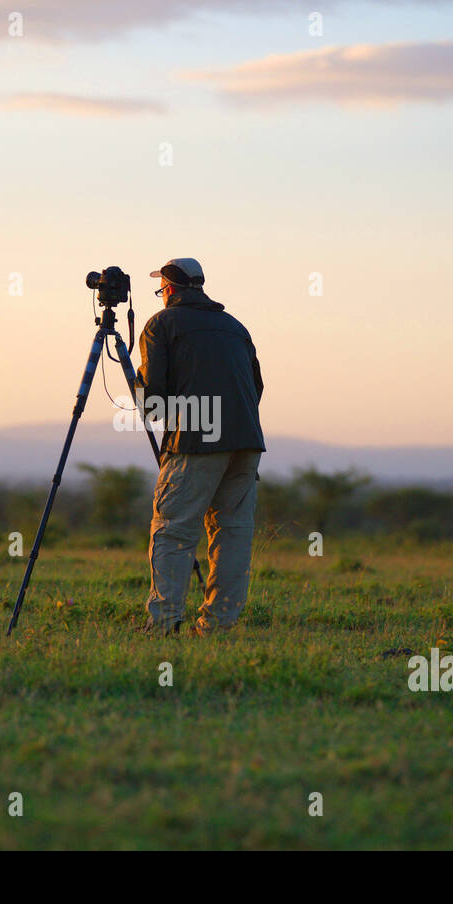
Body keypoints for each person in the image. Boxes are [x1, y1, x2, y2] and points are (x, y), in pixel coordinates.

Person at [135, 258, 265, 636]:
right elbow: (256, 388)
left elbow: (153, 402)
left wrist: (140, 386)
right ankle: (216, 627)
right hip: (246, 441)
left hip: (194, 439)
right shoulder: (235, 327)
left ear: (170, 290)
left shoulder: (162, 324)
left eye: (161, 290)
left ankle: (162, 624)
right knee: (234, 532)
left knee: (173, 529)